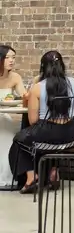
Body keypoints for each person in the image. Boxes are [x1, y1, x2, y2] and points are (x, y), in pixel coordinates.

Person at [9, 50, 74, 194]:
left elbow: (33, 121)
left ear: (43, 67)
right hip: (73, 131)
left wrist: (35, 83)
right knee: (49, 141)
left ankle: (31, 177)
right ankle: (53, 172)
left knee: (19, 140)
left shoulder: (38, 88)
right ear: (62, 65)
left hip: (48, 131)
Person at [0, 45, 27, 189]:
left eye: (13, 57)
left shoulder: (15, 77)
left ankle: (7, 176)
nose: (11, 60)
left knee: (8, 134)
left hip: (5, 116)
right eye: (7, 57)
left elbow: (25, 96)